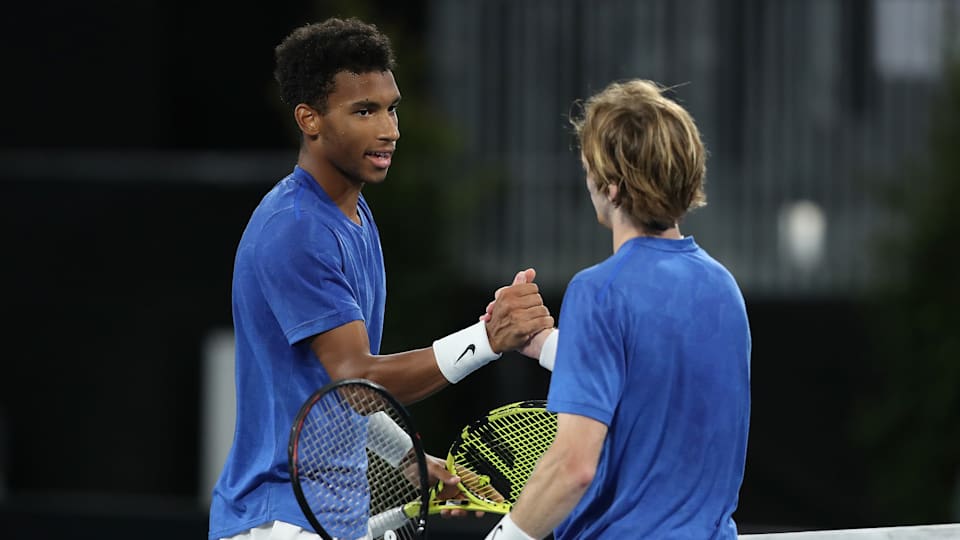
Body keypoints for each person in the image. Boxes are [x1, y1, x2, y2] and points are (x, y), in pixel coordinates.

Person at [208, 18, 554, 540]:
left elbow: (330, 387)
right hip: (280, 520)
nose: (389, 129)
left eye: (391, 108)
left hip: (326, 519)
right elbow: (356, 381)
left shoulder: (353, 215)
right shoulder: (296, 230)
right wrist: (486, 339)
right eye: (364, 111)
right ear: (311, 119)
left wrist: (413, 462)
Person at [484, 79, 752, 539]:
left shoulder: (598, 291)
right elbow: (651, 382)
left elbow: (574, 467)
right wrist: (548, 345)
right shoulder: (723, 288)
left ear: (608, 186)